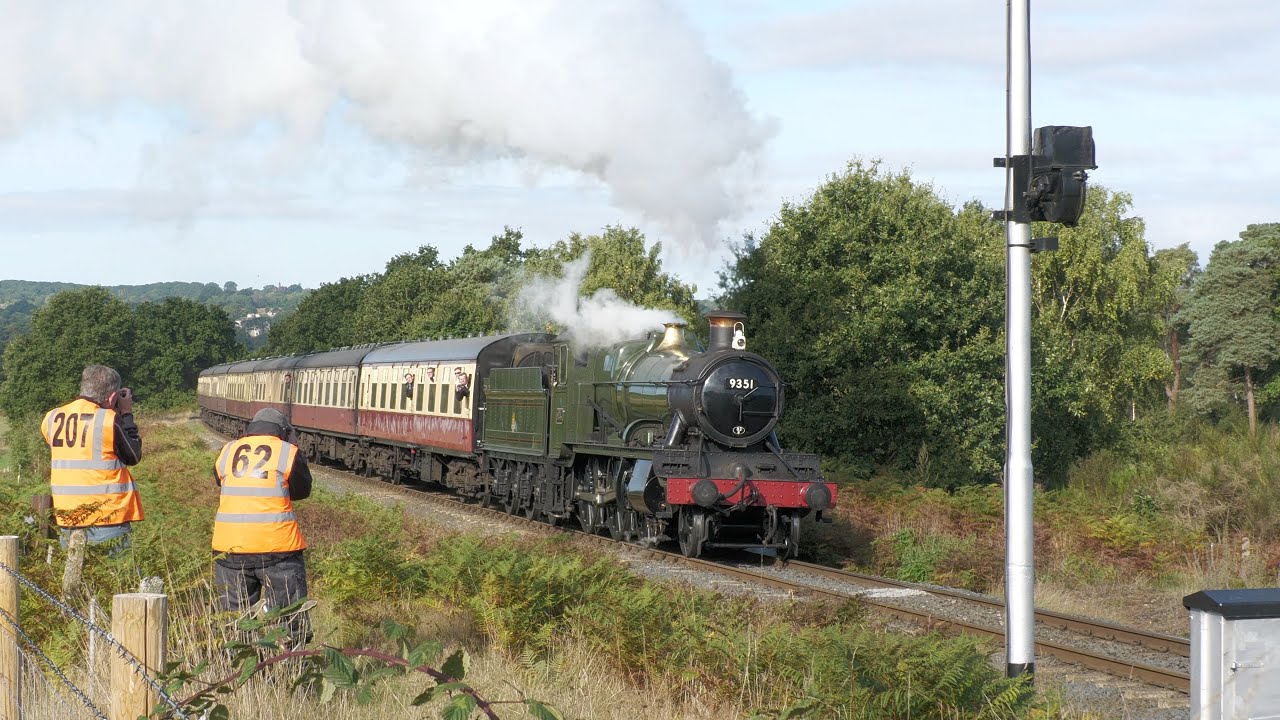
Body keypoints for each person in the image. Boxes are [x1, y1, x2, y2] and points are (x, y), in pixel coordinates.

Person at [211, 407, 313, 649]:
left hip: (230, 551)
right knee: (290, 618)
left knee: (235, 623)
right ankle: (290, 672)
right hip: (278, 550)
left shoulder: (228, 451)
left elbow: (219, 481)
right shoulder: (288, 452)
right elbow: (301, 491)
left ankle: (242, 675)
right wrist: (293, 445)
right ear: (285, 432)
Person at [42, 364, 143, 554]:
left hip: (67, 516)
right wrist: (127, 414)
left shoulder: (52, 418)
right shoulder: (107, 419)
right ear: (112, 397)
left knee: (78, 578)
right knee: (114, 579)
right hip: (108, 516)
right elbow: (133, 454)